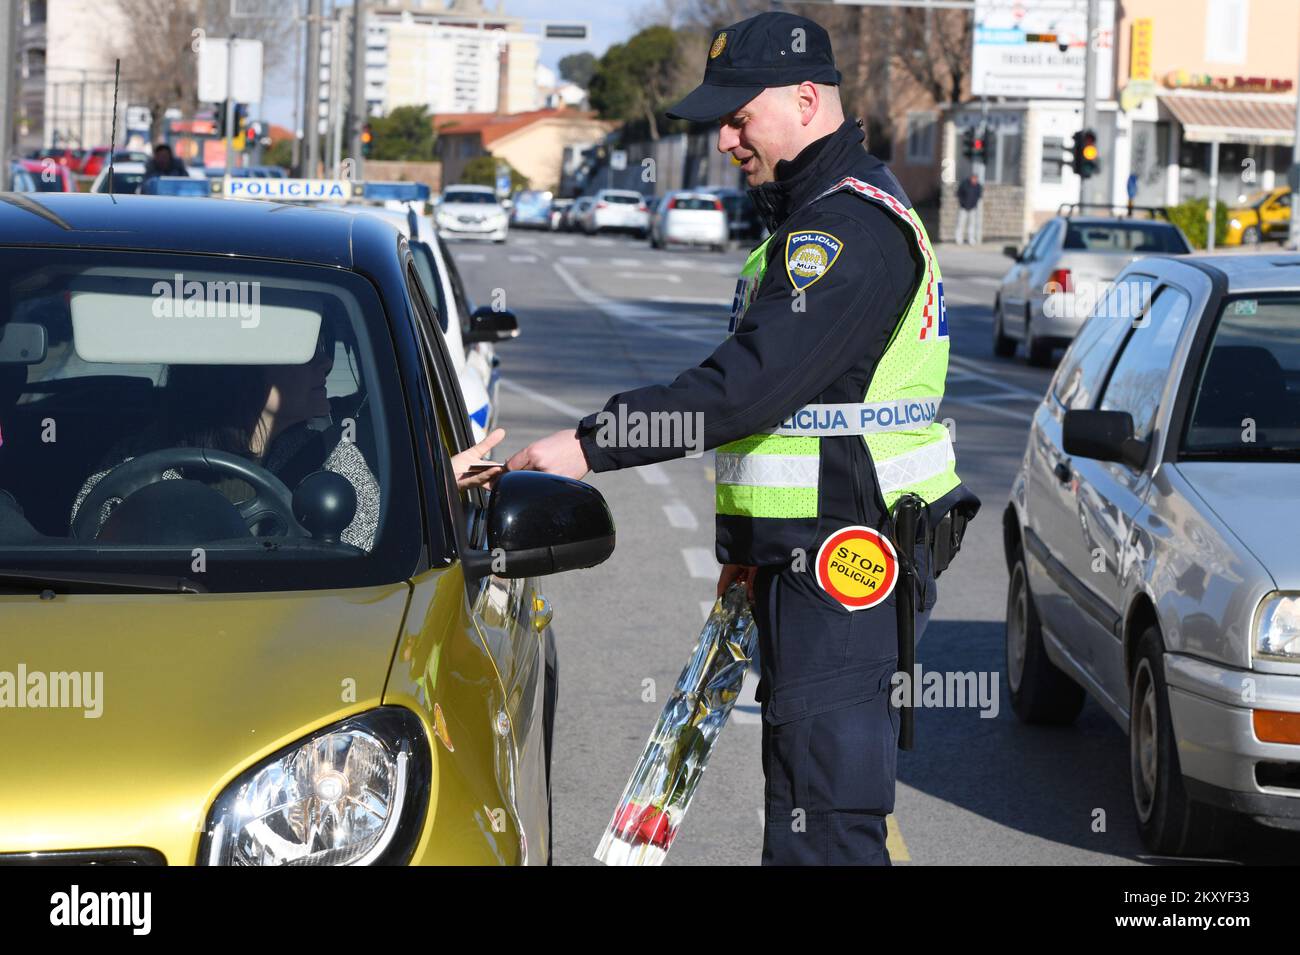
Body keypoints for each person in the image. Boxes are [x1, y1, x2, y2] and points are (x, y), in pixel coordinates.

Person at [508, 11, 978, 865]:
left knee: (825, 827)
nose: (725, 138)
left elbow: (748, 389)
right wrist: (759, 549)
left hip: (842, 575)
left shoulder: (845, 234)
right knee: (803, 806)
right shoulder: (820, 217)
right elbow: (811, 411)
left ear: (806, 100)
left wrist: (590, 445)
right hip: (809, 560)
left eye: (738, 116)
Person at [956, 173, 982, 245]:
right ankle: (959, 239)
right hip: (963, 208)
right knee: (961, 224)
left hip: (972, 208)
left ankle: (971, 239)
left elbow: (978, 196)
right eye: (973, 178)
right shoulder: (964, 184)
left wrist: (974, 205)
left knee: (972, 224)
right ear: (971, 178)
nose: (974, 180)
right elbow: (959, 194)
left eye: (976, 179)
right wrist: (962, 203)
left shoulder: (978, 186)